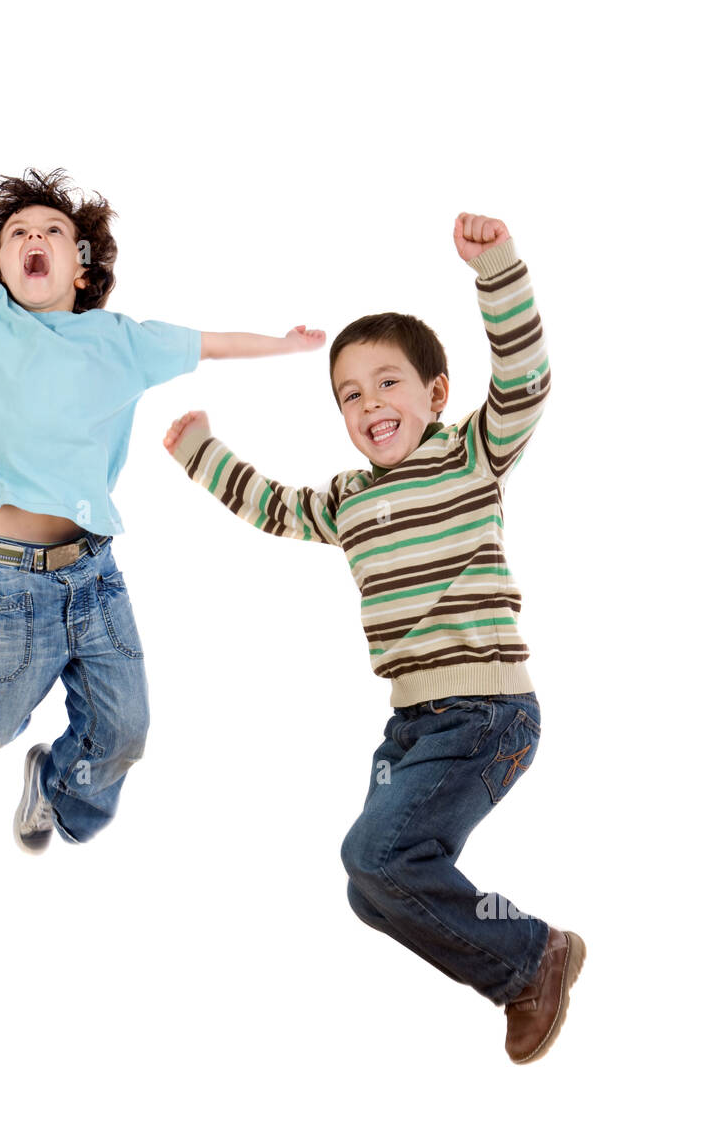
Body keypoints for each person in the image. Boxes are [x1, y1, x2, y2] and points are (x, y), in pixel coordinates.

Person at [0, 87, 324, 852]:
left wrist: (285, 345)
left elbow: (212, 343)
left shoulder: (120, 342)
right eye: (17, 232)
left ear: (81, 271)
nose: (33, 238)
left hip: (92, 574)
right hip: (5, 580)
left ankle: (56, 791)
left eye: (51, 231)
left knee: (126, 732)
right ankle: (21, 715)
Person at [163, 214, 583, 1064]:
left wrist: (495, 268)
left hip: (487, 712)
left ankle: (531, 958)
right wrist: (201, 452)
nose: (369, 405)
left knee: (376, 854)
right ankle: (533, 947)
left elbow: (526, 379)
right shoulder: (348, 498)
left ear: (434, 394)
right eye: (350, 395)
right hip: (410, 726)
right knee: (371, 888)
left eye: (387, 384)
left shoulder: (471, 454)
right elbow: (273, 507)